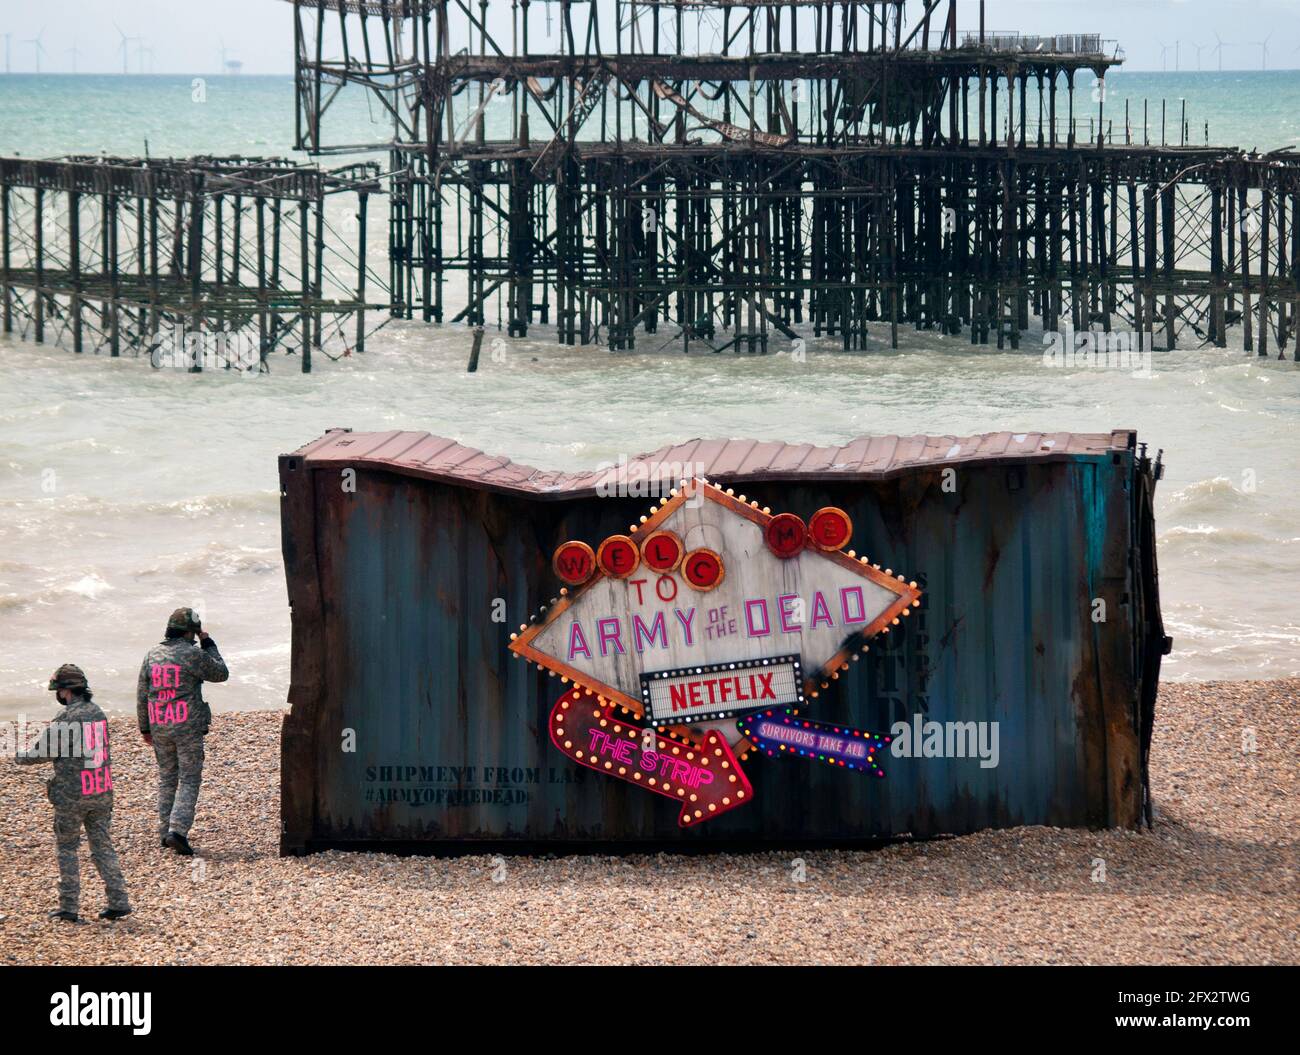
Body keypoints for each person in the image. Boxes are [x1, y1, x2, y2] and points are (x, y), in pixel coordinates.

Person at [16, 664, 132, 922]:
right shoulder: (97, 712)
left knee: (67, 848)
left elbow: (42, 752)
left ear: (64, 690)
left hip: (72, 794)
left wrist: (18, 756)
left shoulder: (66, 717)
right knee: (103, 846)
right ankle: (119, 901)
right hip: (101, 789)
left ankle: (69, 907)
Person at [137, 607, 229, 855]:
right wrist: (207, 642)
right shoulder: (192, 654)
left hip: (159, 727)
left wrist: (145, 728)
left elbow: (142, 694)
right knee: (189, 779)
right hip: (187, 727)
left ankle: (164, 831)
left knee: (167, 778)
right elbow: (221, 673)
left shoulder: (152, 655)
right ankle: (177, 832)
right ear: (191, 632)